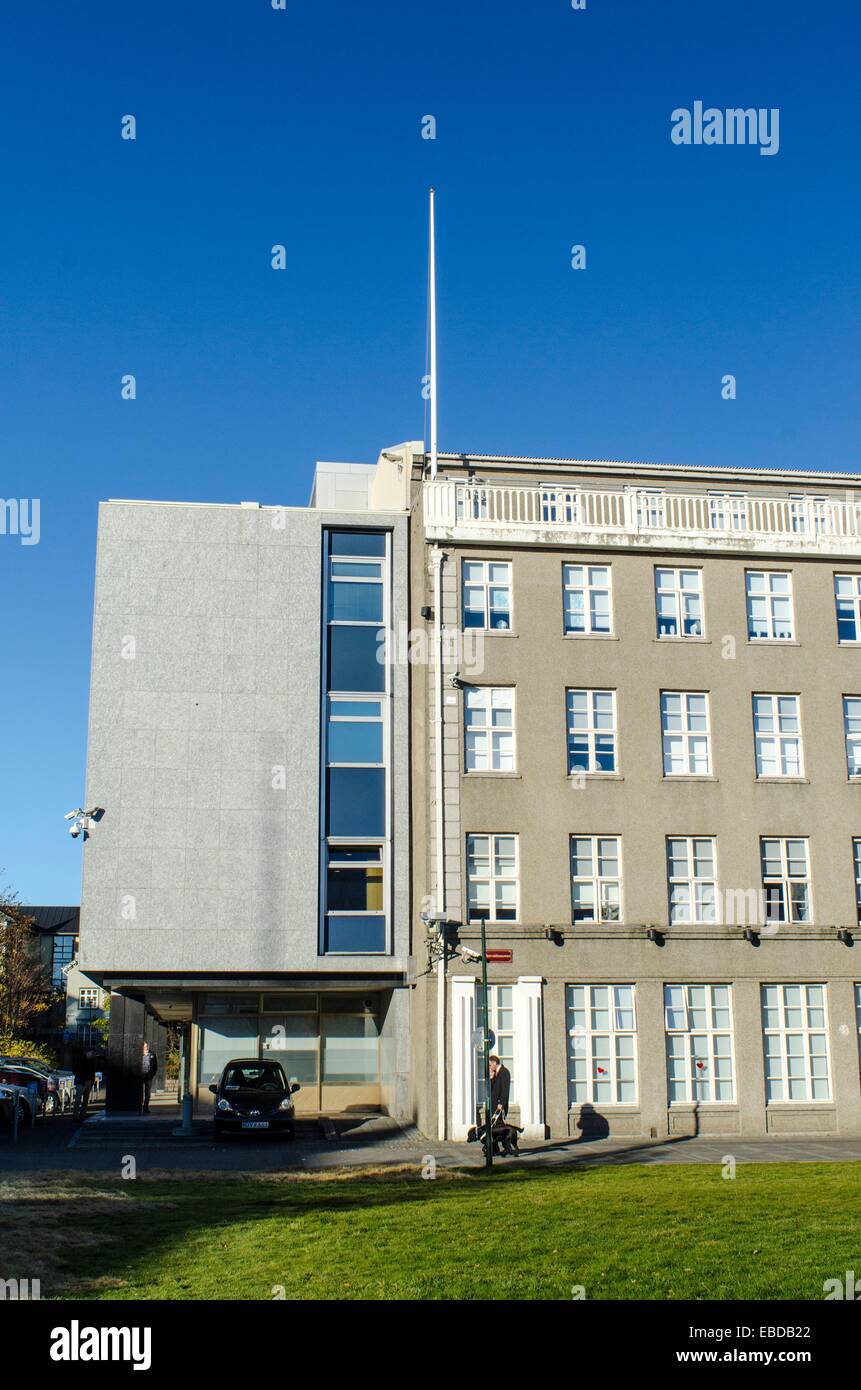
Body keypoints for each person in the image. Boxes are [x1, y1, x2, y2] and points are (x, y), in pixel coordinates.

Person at [74, 1049, 98, 1120]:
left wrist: (92, 1082)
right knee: (78, 1100)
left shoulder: (92, 1061)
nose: (93, 1055)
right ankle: (76, 1116)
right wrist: (81, 1077)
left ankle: (82, 1116)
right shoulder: (80, 1060)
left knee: (85, 1100)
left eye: (94, 1054)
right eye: (92, 1053)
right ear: (88, 1052)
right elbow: (75, 1069)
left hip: (89, 1082)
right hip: (81, 1082)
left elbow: (93, 1072)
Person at [141, 1041, 158, 1114]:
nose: (146, 1048)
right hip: (141, 1076)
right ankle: (139, 1106)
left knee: (147, 1093)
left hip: (149, 1076)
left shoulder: (152, 1054)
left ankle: (145, 1107)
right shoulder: (139, 1054)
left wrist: (153, 1074)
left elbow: (155, 1065)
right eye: (145, 1046)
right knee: (140, 1092)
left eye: (147, 1046)